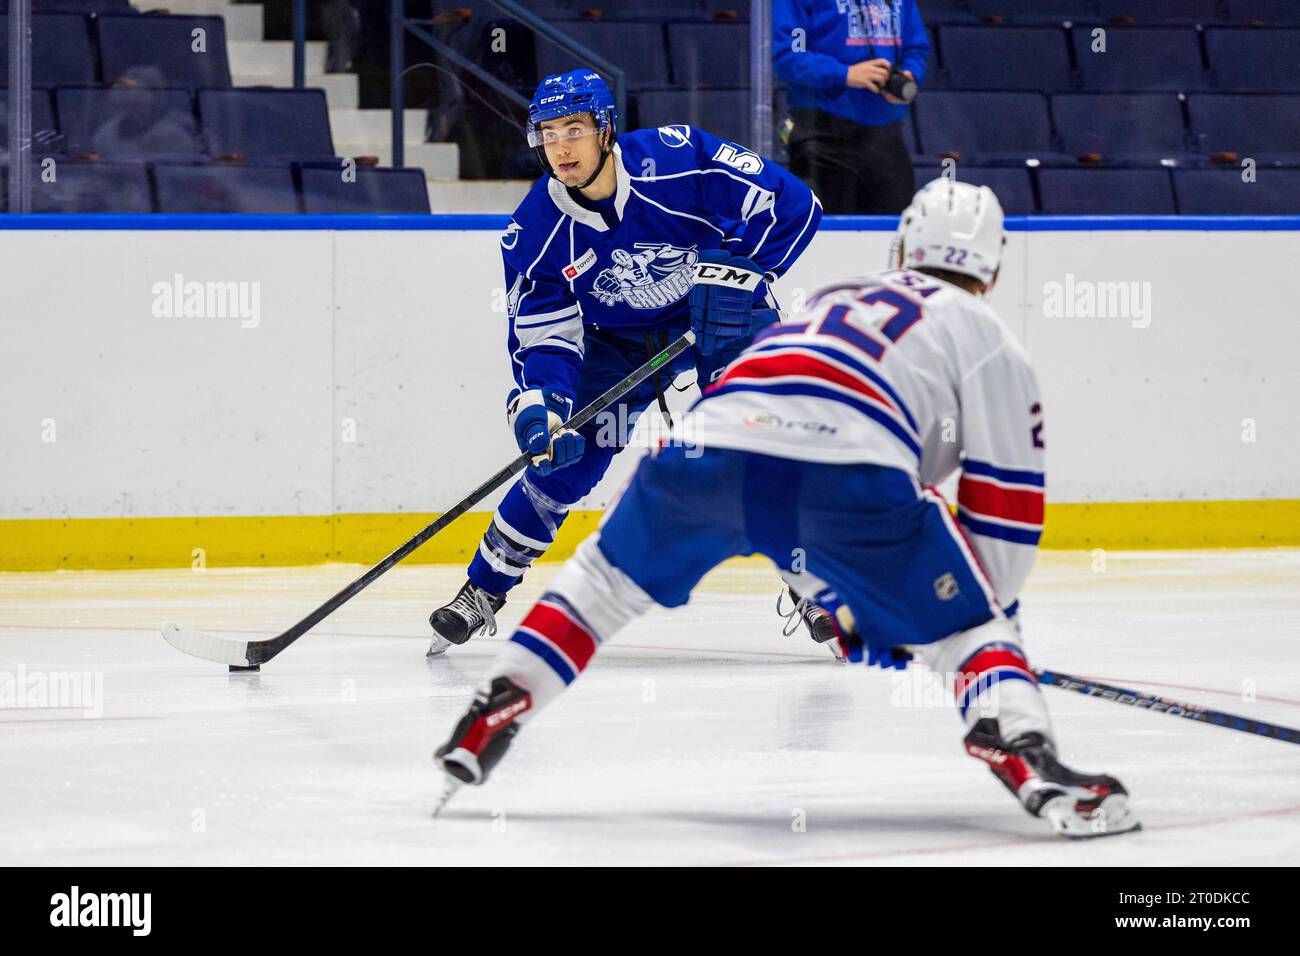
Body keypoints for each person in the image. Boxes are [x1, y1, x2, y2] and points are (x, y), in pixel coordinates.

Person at [431, 178, 1141, 839]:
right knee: (970, 629)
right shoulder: (989, 338)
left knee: (604, 585)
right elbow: (1001, 507)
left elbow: (772, 430)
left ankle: (501, 696)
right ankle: (1022, 745)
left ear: (900, 247)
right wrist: (976, 627)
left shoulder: (838, 296)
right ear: (992, 269)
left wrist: (852, 592)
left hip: (707, 444)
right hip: (849, 468)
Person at [426, 69, 826, 655]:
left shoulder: (682, 159)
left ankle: (813, 583)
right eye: (549, 133)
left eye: (575, 129)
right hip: (613, 345)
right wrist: (545, 406)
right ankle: (482, 591)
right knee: (564, 465)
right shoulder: (533, 233)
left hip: (716, 310)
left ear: (605, 130)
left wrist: (741, 271)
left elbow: (794, 204)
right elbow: (546, 336)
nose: (561, 146)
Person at [773, 0, 929, 215]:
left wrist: (911, 74)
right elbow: (787, 55)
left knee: (894, 235)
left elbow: (916, 49)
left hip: (885, 135)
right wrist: (845, 74)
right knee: (825, 236)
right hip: (822, 135)